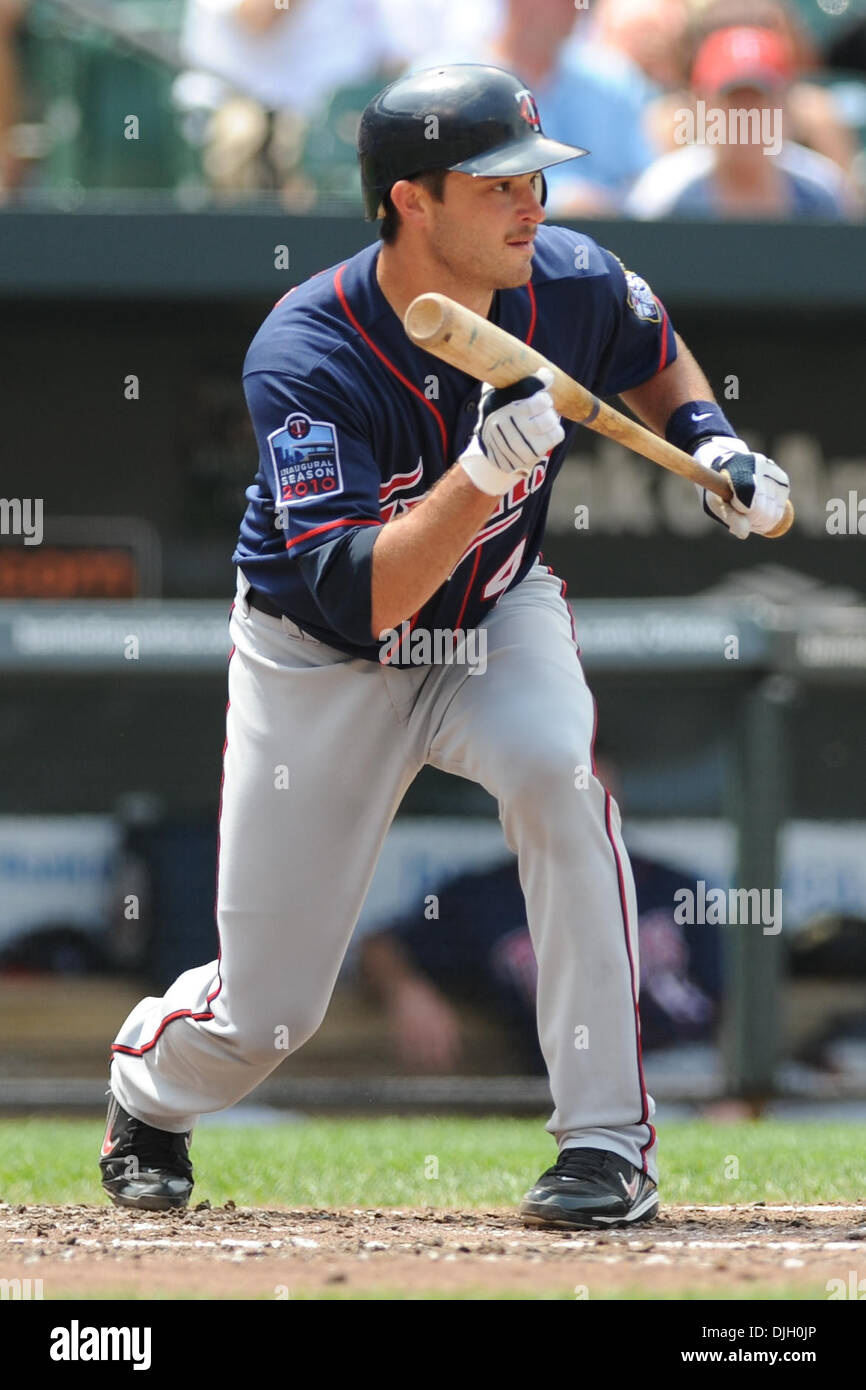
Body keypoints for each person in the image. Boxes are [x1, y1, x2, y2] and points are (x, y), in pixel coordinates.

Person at [99, 63, 790, 1230]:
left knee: (556, 776)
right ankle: (149, 1091)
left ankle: (603, 1145)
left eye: (535, 178)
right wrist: (480, 476)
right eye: (497, 184)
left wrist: (712, 442)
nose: (532, 204)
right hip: (324, 656)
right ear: (409, 200)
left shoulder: (563, 278)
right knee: (267, 1014)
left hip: (495, 615)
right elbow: (358, 598)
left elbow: (645, 337)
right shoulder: (305, 349)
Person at [628, 25, 860, 220]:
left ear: (785, 106)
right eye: (733, 101)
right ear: (702, 106)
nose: (746, 117)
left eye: (758, 101)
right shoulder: (664, 193)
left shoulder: (822, 191)